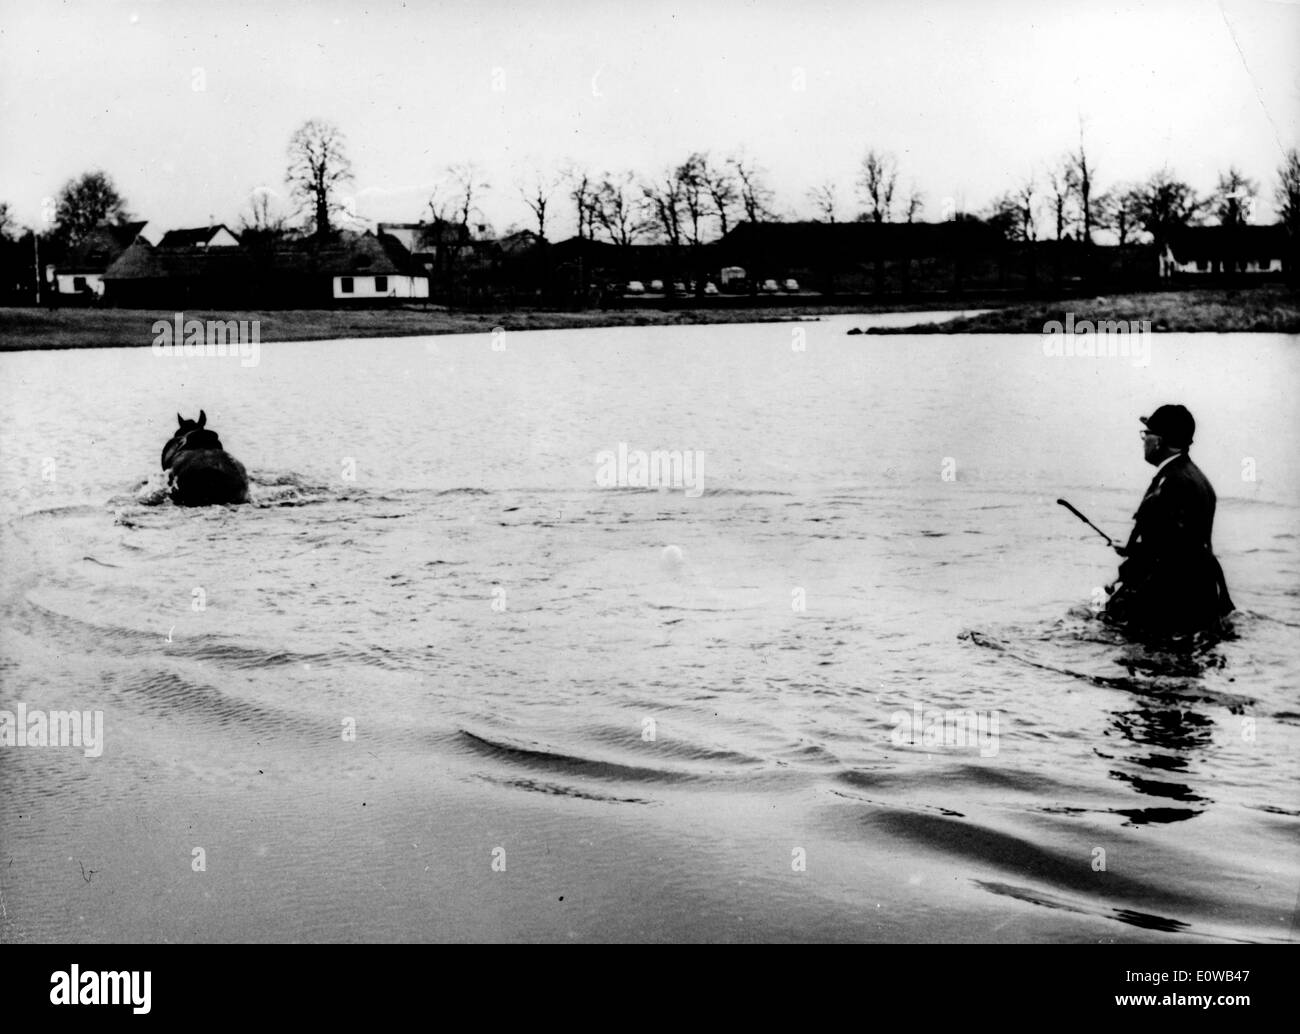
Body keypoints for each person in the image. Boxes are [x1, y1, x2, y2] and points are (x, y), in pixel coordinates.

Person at [1103, 404, 1234, 634]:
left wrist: (1128, 570)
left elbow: (1163, 552)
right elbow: (1179, 540)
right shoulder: (1199, 479)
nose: (1143, 440)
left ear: (1160, 441)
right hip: (1200, 594)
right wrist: (1132, 549)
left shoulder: (1171, 482)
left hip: (1170, 600)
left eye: (1147, 434)